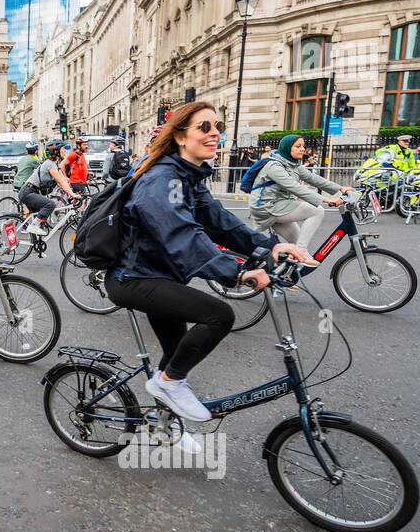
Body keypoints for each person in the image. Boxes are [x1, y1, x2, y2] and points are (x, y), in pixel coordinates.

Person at [104, 103, 311, 424]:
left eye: (218, 125)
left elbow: (220, 223)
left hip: (160, 277)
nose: (215, 132)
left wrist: (271, 246)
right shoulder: (163, 180)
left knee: (174, 358)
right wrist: (237, 273)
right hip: (133, 279)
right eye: (204, 127)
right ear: (181, 136)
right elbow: (182, 237)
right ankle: (169, 385)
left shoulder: (188, 176)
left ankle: (162, 421)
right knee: (218, 316)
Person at [247, 134, 350, 251]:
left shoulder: (292, 164)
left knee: (297, 242)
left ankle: (288, 264)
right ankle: (301, 252)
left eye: (303, 146)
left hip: (278, 205)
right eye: (298, 146)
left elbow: (313, 178)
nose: (302, 149)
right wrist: (326, 199)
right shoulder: (274, 166)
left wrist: (340, 188)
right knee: (317, 211)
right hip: (266, 207)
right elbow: (296, 188)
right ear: (287, 148)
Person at [19, 139, 78, 234]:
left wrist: (72, 192)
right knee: (50, 204)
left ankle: (36, 240)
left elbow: (63, 180)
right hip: (27, 192)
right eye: (63, 149)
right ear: (56, 151)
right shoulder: (50, 165)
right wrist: (72, 194)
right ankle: (33, 226)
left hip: (32, 191)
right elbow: (61, 183)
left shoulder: (55, 164)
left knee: (41, 216)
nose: (65, 151)